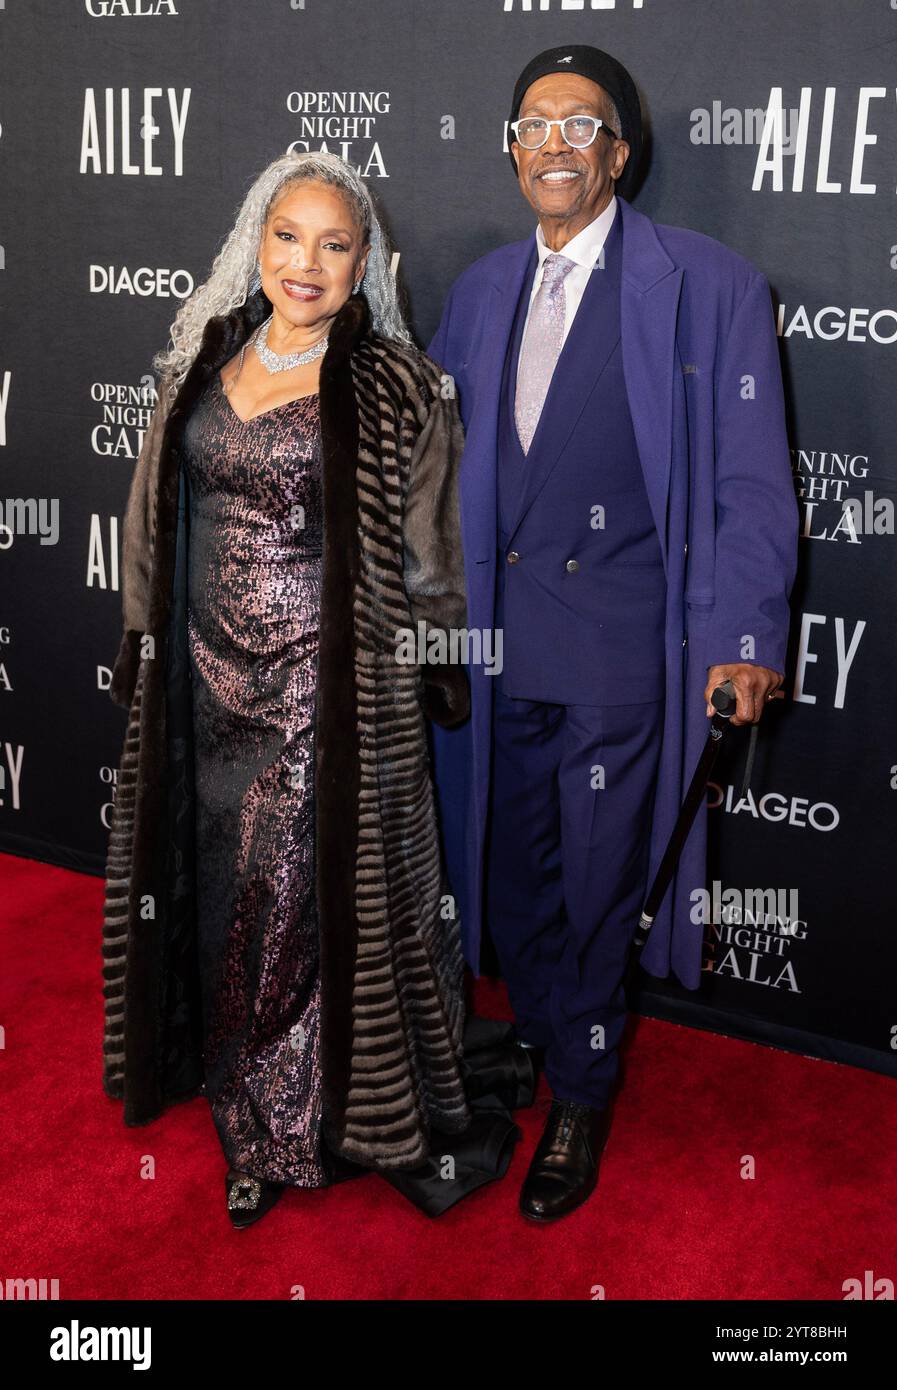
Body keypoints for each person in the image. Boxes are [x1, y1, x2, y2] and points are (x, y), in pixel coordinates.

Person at [100, 151, 529, 1228]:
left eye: (333, 245)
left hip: (320, 693)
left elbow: (432, 548)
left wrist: (436, 660)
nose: (306, 262)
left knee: (286, 900)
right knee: (216, 895)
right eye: (289, 236)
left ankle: (294, 1129)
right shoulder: (204, 354)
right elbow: (153, 503)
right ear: (259, 238)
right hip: (201, 685)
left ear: (362, 263)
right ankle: (244, 1108)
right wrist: (141, 635)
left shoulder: (392, 382)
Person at [427, 46, 799, 1223]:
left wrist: (744, 633)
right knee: (512, 874)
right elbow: (433, 477)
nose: (554, 144)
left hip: (622, 656)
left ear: (619, 157)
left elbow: (751, 486)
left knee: (597, 882)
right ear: (512, 149)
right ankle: (539, 1032)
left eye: (581, 127)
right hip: (492, 653)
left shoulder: (710, 285)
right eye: (533, 123)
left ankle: (582, 1090)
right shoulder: (480, 291)